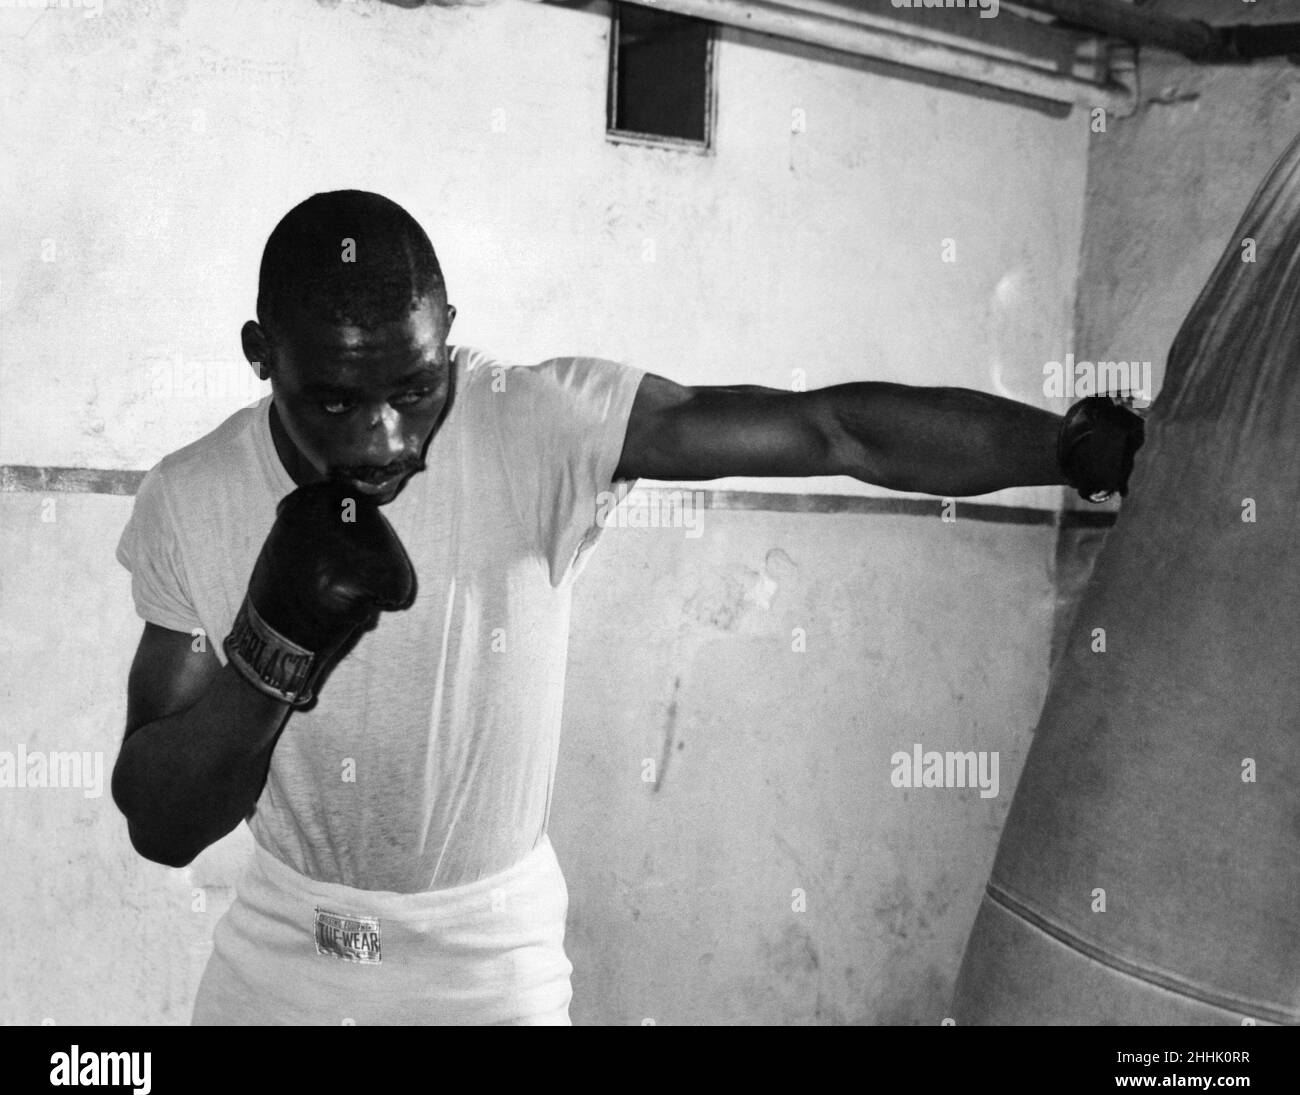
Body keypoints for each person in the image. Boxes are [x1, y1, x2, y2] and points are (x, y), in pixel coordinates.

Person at [111, 189, 1144, 1025]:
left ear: (450, 338)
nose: (385, 439)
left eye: (416, 389)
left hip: (487, 967)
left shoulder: (539, 424)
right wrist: (271, 649)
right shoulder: (192, 495)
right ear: (260, 353)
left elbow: (834, 433)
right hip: (284, 956)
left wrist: (1060, 448)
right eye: (334, 400)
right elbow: (163, 824)